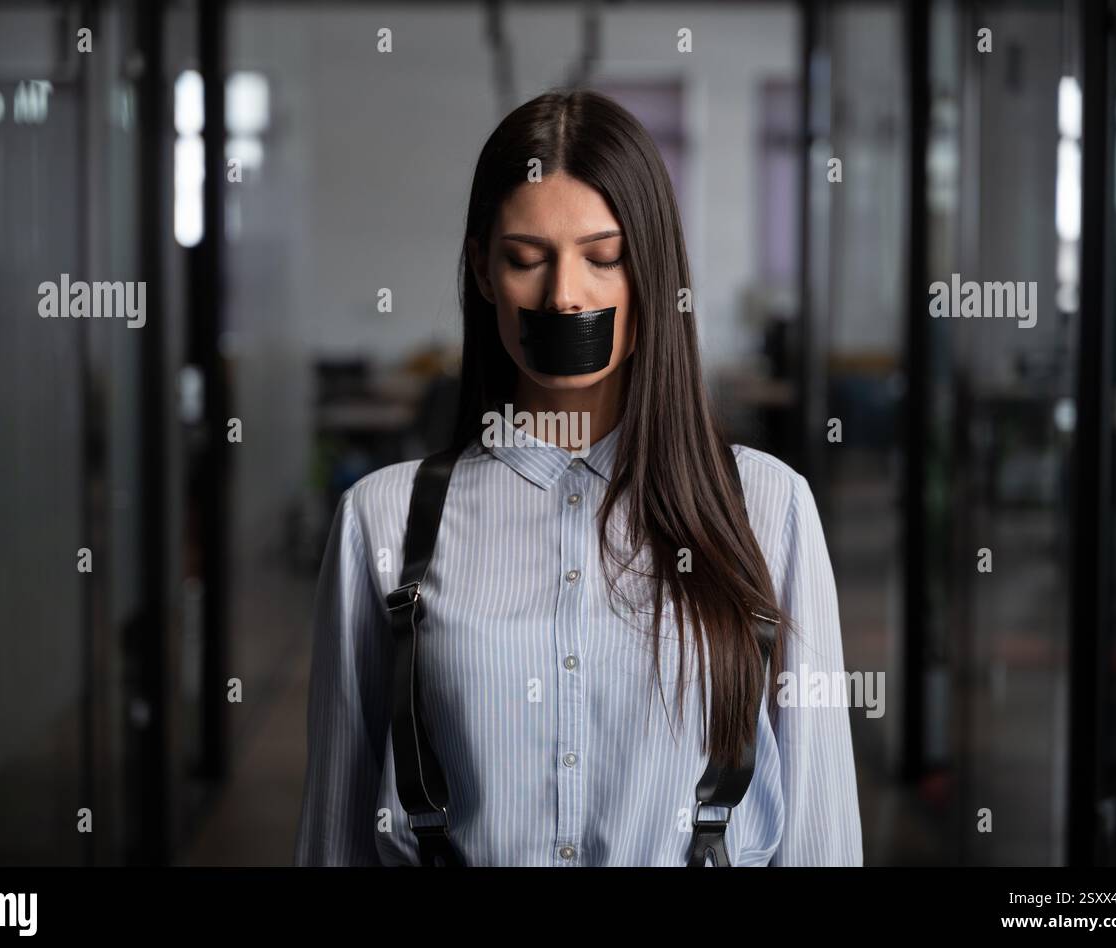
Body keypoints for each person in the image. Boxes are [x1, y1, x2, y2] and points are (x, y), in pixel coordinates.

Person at [295, 88, 862, 866]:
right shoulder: (382, 522)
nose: (564, 294)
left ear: (652, 273)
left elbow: (820, 838)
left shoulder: (768, 508)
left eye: (602, 257)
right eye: (527, 258)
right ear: (484, 271)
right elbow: (336, 836)